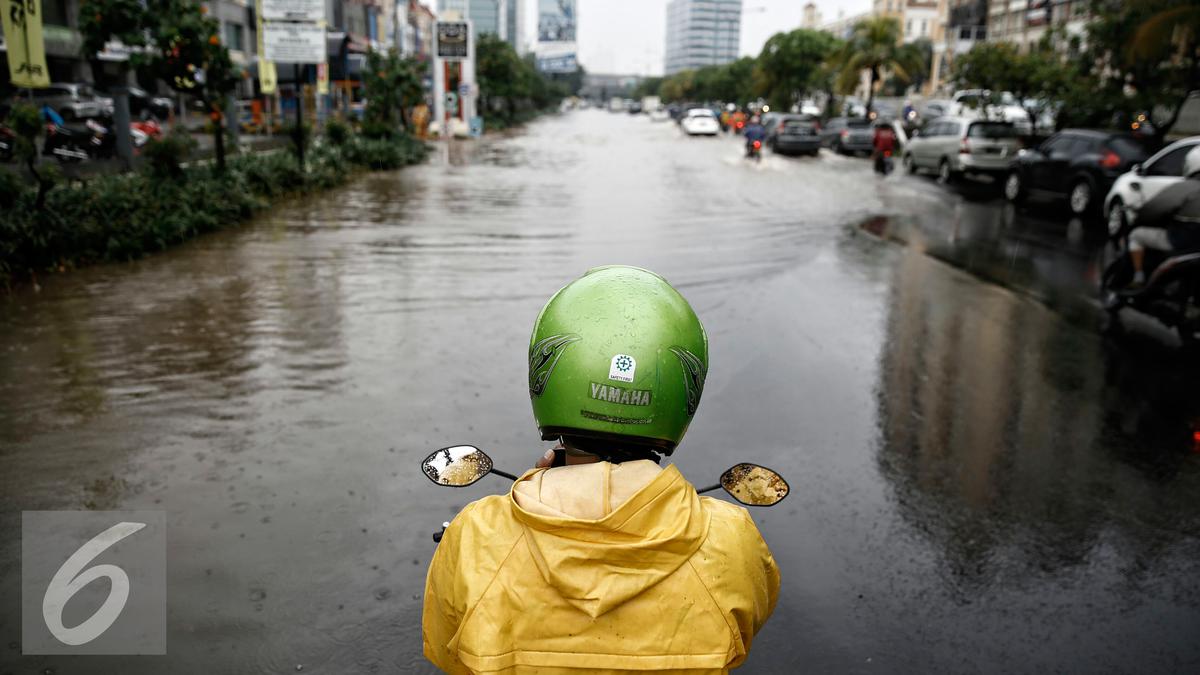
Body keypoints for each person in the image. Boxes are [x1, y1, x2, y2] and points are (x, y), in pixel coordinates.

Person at [423, 265, 780, 674]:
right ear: (684, 387)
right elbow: (744, 633)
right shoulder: (731, 540)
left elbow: (448, 653)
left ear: (548, 374)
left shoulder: (477, 534)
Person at [1127, 145, 1200, 286]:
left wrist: (1139, 216)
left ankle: (1138, 276)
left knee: (1136, 235)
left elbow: (1153, 208)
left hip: (1182, 242)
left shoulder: (1185, 187)